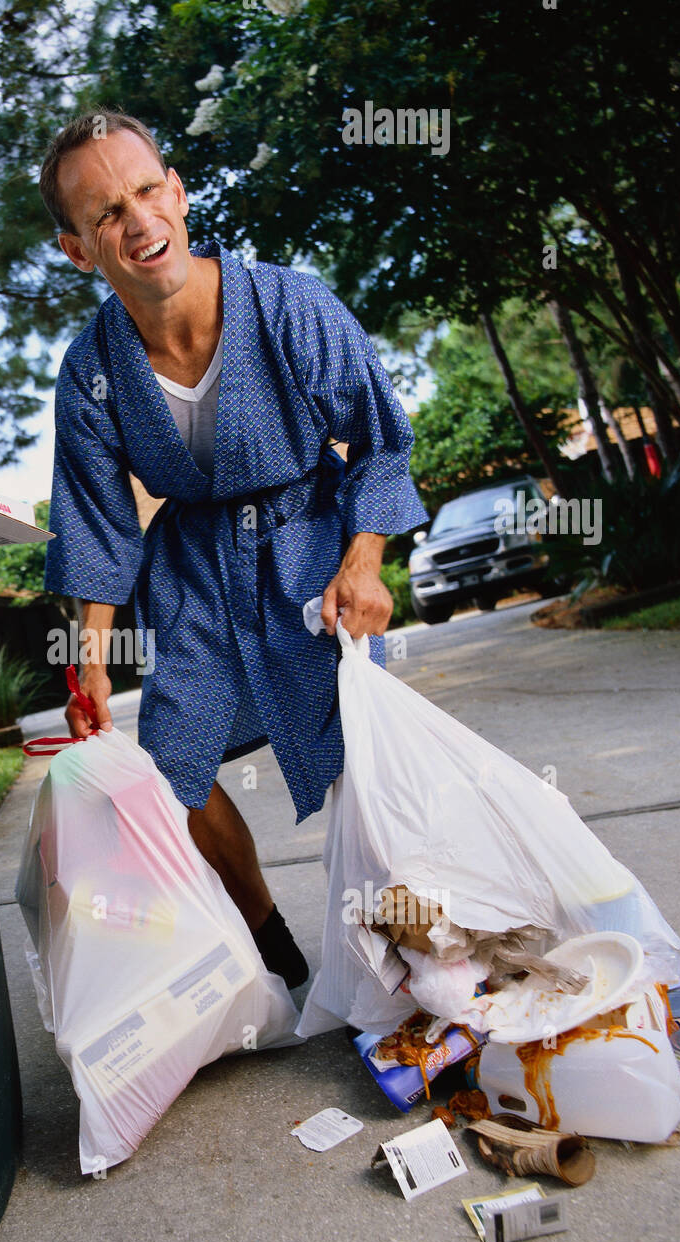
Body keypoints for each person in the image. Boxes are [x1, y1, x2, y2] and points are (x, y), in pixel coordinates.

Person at [37, 109, 428, 987]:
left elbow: (379, 440)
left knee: (358, 751)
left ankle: (408, 952)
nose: (137, 221)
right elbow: (97, 516)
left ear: (176, 192)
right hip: (193, 573)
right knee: (172, 772)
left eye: (146, 191)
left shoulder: (288, 305)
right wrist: (89, 664)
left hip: (309, 544)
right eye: (105, 213)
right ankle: (274, 945)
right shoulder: (90, 368)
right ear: (78, 251)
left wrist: (362, 564)